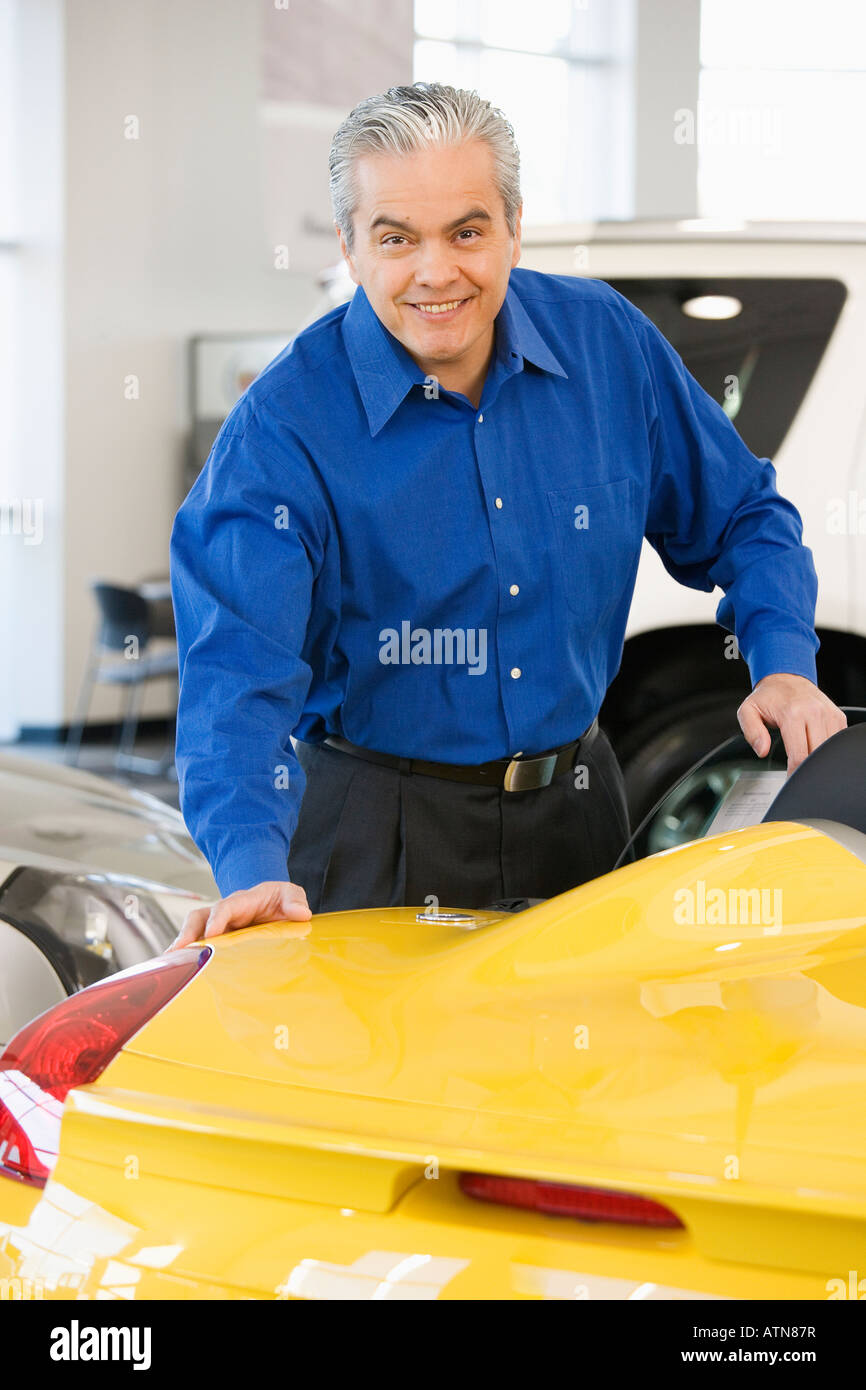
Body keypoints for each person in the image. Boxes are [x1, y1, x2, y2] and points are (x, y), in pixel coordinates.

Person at [167, 82, 846, 950]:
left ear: (514, 227)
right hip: (377, 840)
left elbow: (746, 513)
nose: (435, 271)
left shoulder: (608, 343)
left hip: (581, 821)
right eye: (396, 238)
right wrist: (253, 866)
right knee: (397, 1089)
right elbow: (235, 680)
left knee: (581, 1080)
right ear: (350, 246)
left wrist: (782, 659)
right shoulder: (283, 426)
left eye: (467, 231)